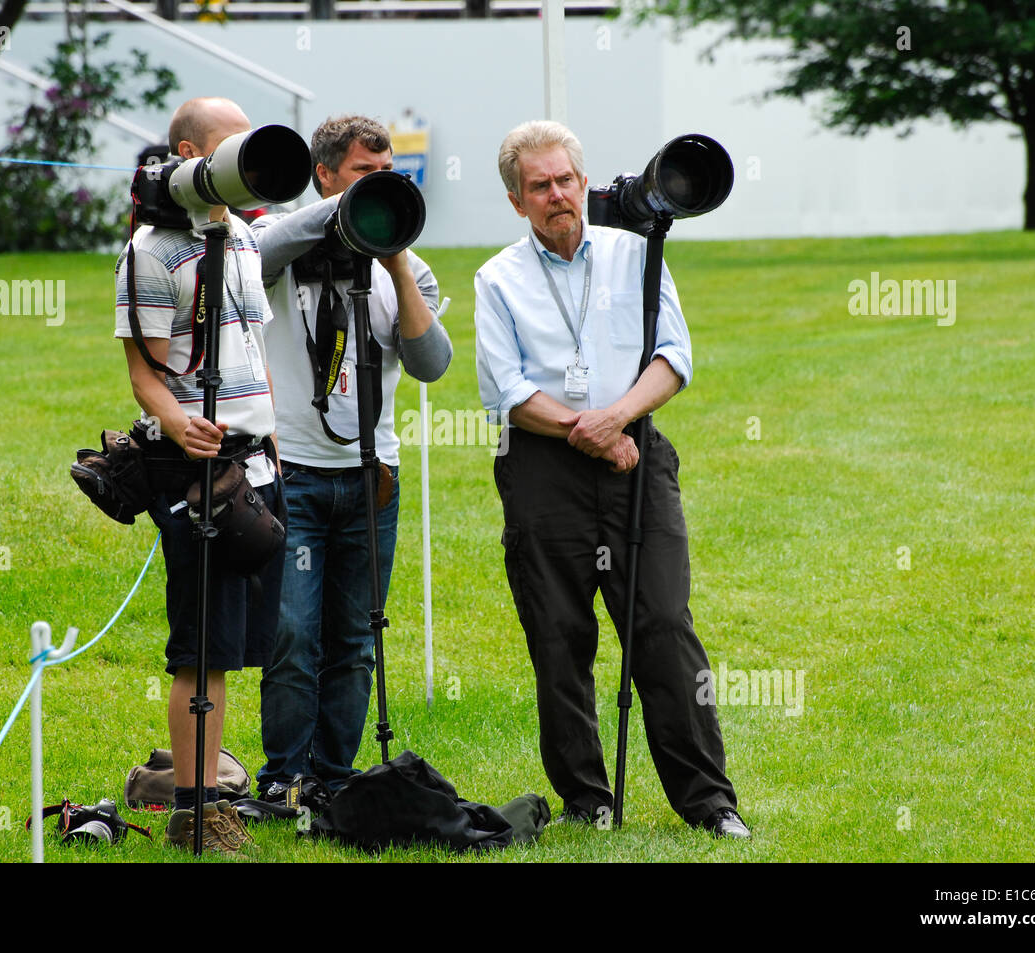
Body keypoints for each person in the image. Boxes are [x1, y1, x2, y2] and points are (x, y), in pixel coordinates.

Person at [473, 120, 750, 838]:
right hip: (542, 465)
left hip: (636, 450)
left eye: (566, 179)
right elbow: (504, 389)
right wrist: (587, 433)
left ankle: (710, 802)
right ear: (517, 200)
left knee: (662, 623)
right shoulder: (497, 278)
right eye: (540, 185)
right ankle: (588, 800)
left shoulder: (638, 251)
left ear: (582, 181)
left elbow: (674, 356)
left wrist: (617, 419)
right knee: (559, 634)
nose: (558, 195)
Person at [252, 115, 452, 801]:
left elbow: (432, 364)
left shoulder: (408, 266)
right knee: (291, 635)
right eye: (367, 175)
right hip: (293, 477)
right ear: (327, 175)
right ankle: (284, 778)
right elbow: (257, 252)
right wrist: (344, 216)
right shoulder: (279, 249)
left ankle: (332, 779)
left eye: (388, 173)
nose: (382, 186)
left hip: (373, 478)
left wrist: (392, 256)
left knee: (354, 642)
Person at [114, 96, 284, 852]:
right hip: (194, 472)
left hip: (256, 464)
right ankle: (194, 810)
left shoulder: (245, 237)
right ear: (189, 153)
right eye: (232, 147)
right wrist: (180, 420)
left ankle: (203, 783)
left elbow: (253, 352)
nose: (248, 160)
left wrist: (275, 446)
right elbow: (144, 372)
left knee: (240, 643)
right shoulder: (150, 249)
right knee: (201, 648)